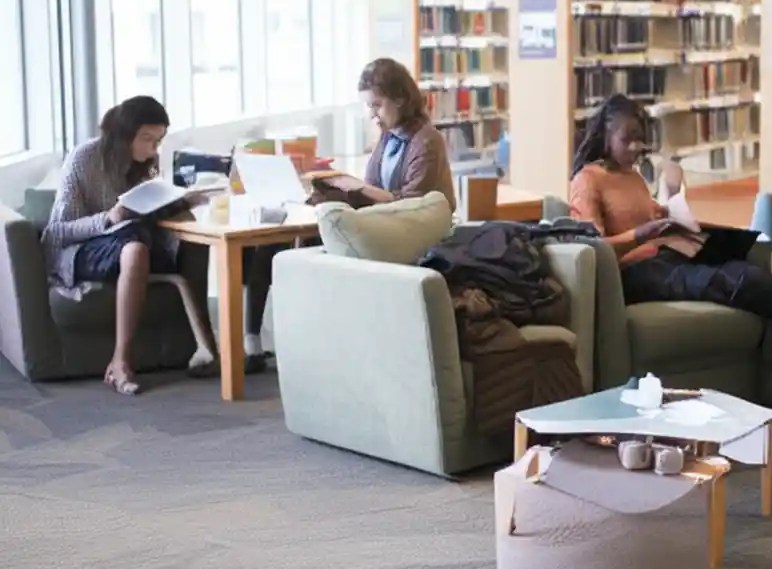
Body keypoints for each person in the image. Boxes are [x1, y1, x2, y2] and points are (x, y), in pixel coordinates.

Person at [232, 57, 459, 363]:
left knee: (318, 247)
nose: (373, 116)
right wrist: (336, 191)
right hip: (387, 224)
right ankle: (255, 341)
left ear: (401, 99)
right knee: (273, 245)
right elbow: (374, 193)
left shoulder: (426, 141)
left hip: (415, 233)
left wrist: (357, 187)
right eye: (369, 108)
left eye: (377, 106)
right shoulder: (389, 137)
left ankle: (314, 340)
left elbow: (413, 204)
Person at [42, 96, 219, 396]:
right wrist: (109, 218)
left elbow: (150, 210)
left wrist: (181, 203)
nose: (153, 149)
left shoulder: (147, 164)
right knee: (134, 246)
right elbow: (56, 234)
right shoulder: (83, 159)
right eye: (147, 139)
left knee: (147, 242)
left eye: (158, 141)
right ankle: (120, 360)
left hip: (135, 241)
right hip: (86, 249)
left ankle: (208, 349)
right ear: (124, 134)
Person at [568, 94, 772, 320]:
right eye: (626, 139)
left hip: (665, 256)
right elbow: (590, 247)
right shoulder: (588, 180)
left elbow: (653, 215)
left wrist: (673, 196)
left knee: (753, 272)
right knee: (742, 283)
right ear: (605, 136)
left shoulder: (632, 177)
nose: (634, 147)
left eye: (639, 139)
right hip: (634, 273)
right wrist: (638, 235)